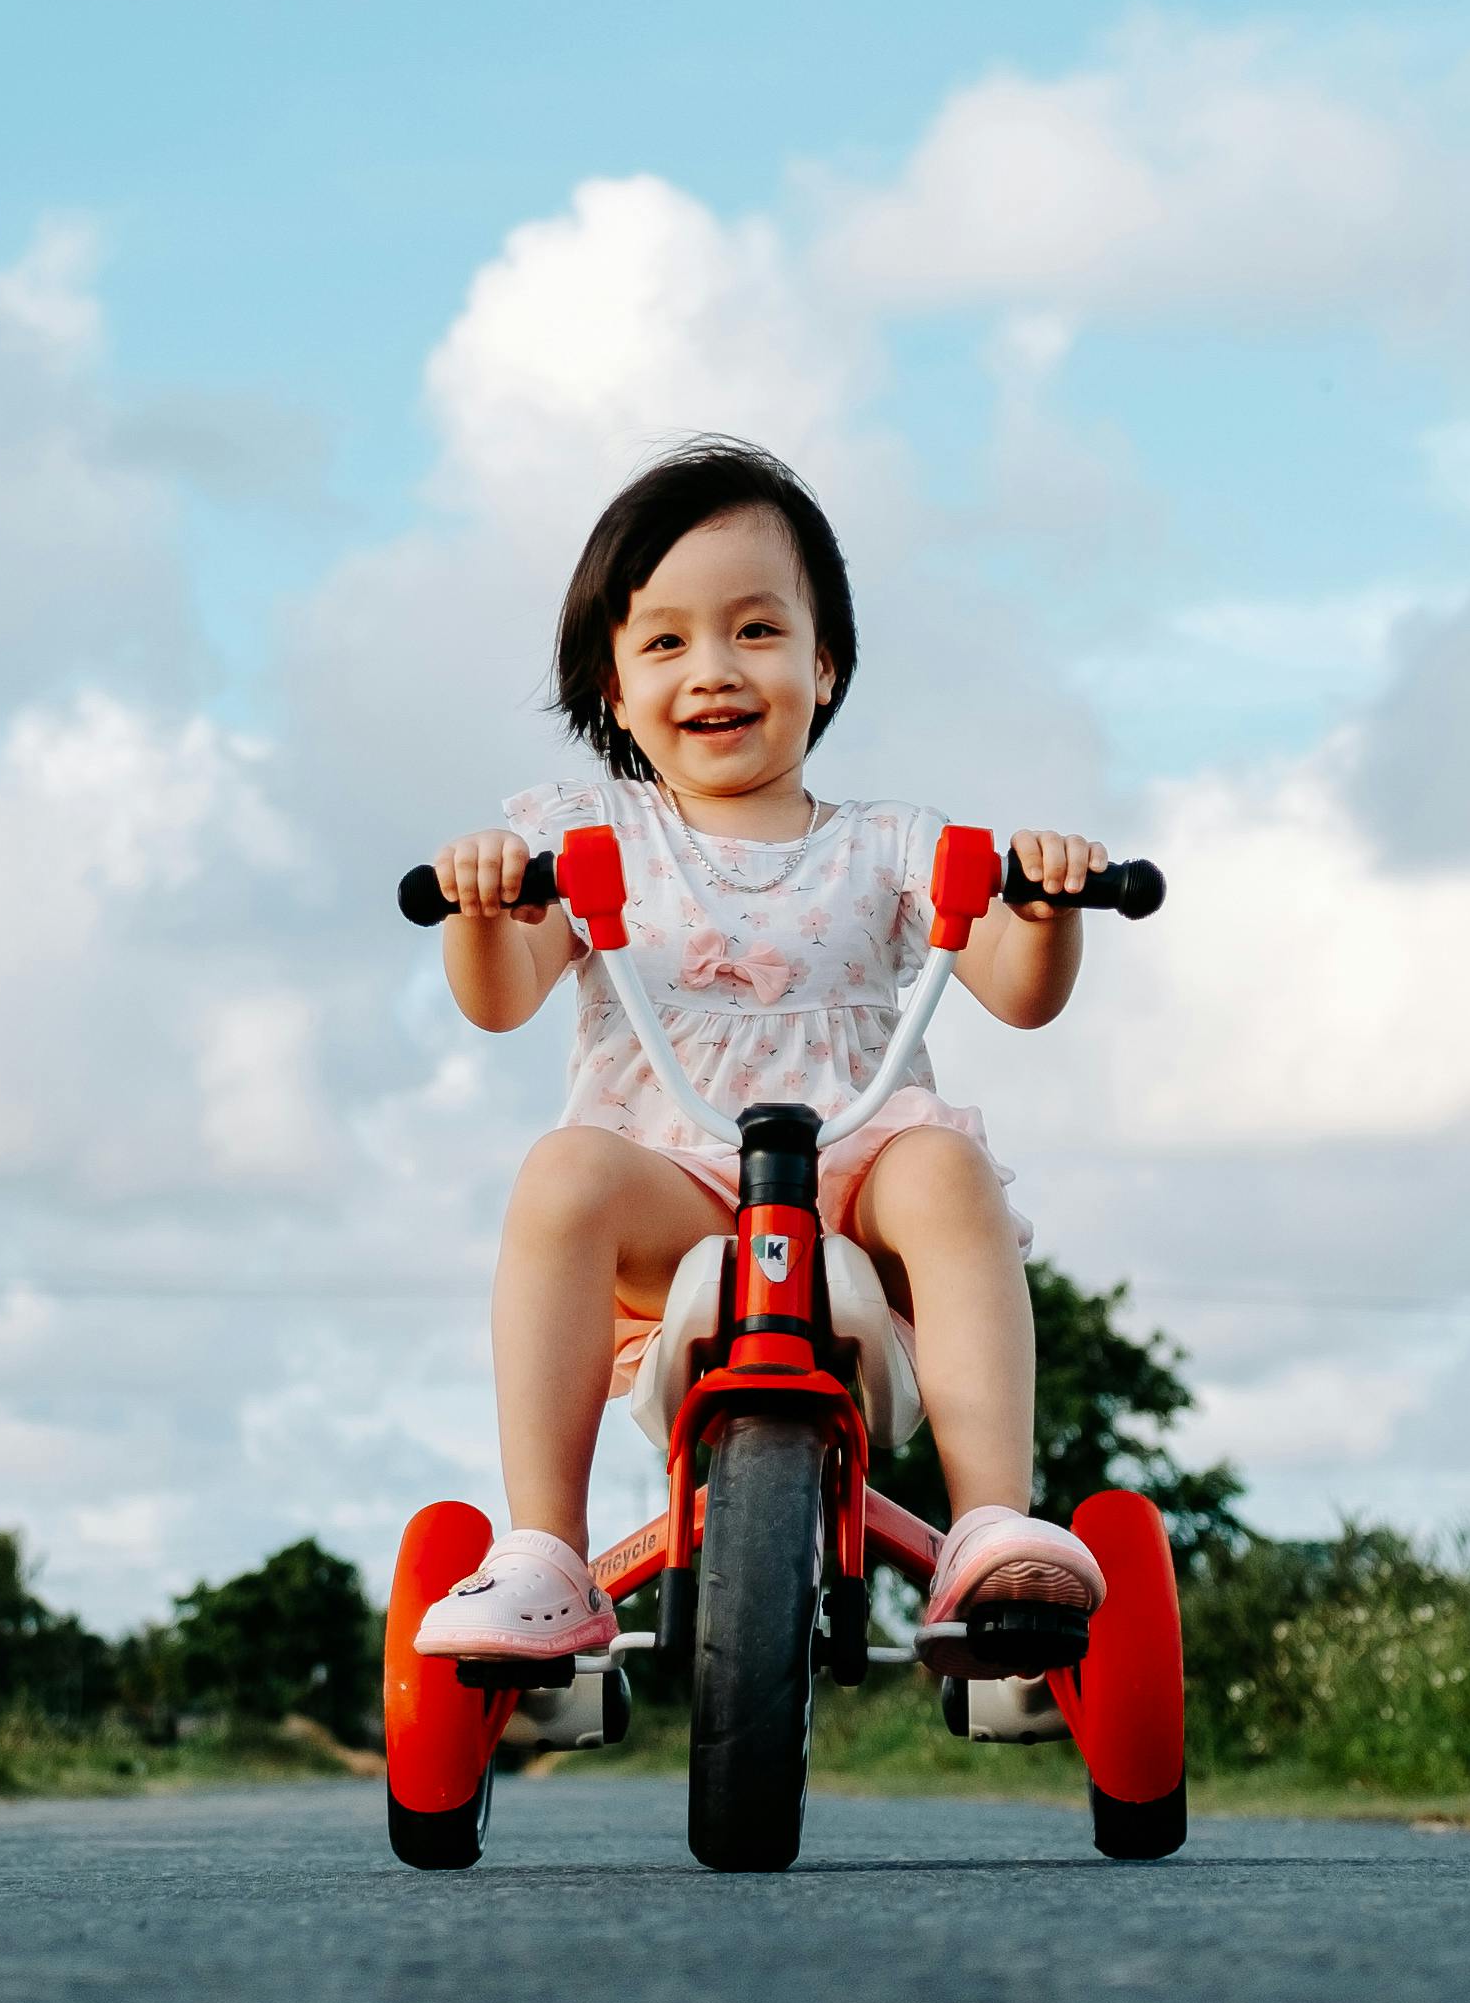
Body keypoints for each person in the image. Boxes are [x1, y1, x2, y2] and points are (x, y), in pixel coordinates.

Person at [407, 437, 1118, 1662]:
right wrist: (479, 910)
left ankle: (990, 1518)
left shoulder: (891, 845)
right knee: (563, 1171)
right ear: (615, 689)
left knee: (944, 1166)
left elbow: (1016, 988)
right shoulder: (586, 838)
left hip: (855, 1190)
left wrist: (1045, 907)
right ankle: (546, 1551)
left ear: (824, 663)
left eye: (756, 629)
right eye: (666, 641)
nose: (715, 669)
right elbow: (503, 996)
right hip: (672, 1196)